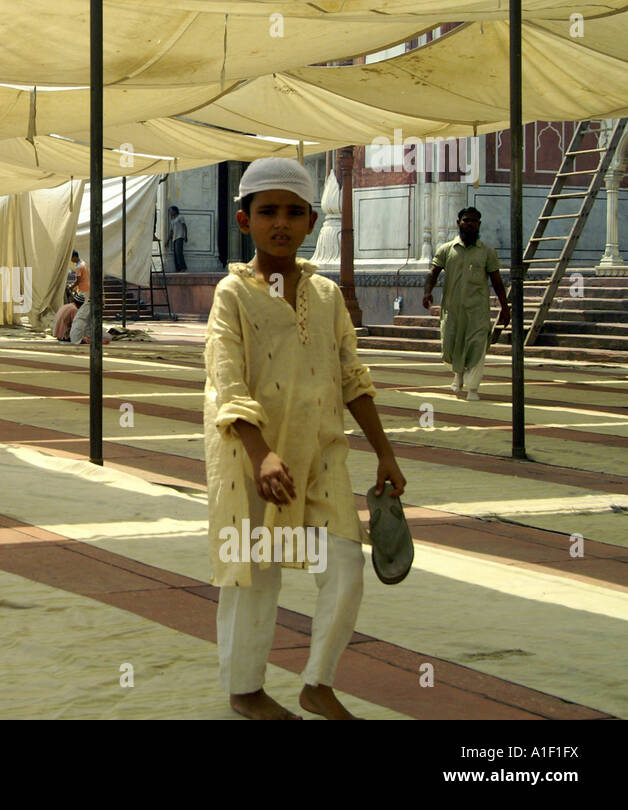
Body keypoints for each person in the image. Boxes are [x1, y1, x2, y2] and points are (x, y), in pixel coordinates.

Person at [204, 157, 406, 721]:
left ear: (312, 221)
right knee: (254, 573)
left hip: (319, 456)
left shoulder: (326, 295)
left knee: (344, 564)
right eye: (268, 211)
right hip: (252, 458)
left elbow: (352, 377)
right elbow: (229, 383)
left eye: (294, 212)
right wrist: (261, 453)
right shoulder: (231, 293)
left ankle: (318, 684)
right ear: (244, 221)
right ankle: (245, 692)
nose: (281, 223)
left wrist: (385, 452)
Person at [423, 207, 509, 401]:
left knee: (477, 347)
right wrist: (427, 292)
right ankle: (458, 375)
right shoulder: (446, 250)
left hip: (477, 312)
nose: (470, 224)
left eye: (474, 221)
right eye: (466, 220)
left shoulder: (487, 252)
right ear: (458, 223)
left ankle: (472, 389)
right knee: (450, 347)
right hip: (452, 311)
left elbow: (497, 281)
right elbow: (433, 273)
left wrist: (505, 307)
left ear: (479, 225)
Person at [168, 205, 188, 273]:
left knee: (179, 253)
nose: (170, 212)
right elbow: (171, 231)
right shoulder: (172, 220)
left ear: (175, 211)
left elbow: (184, 226)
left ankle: (183, 267)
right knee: (175, 254)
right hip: (174, 238)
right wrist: (167, 241)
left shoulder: (180, 217)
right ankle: (178, 268)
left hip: (180, 237)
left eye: (171, 211)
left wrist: (185, 236)